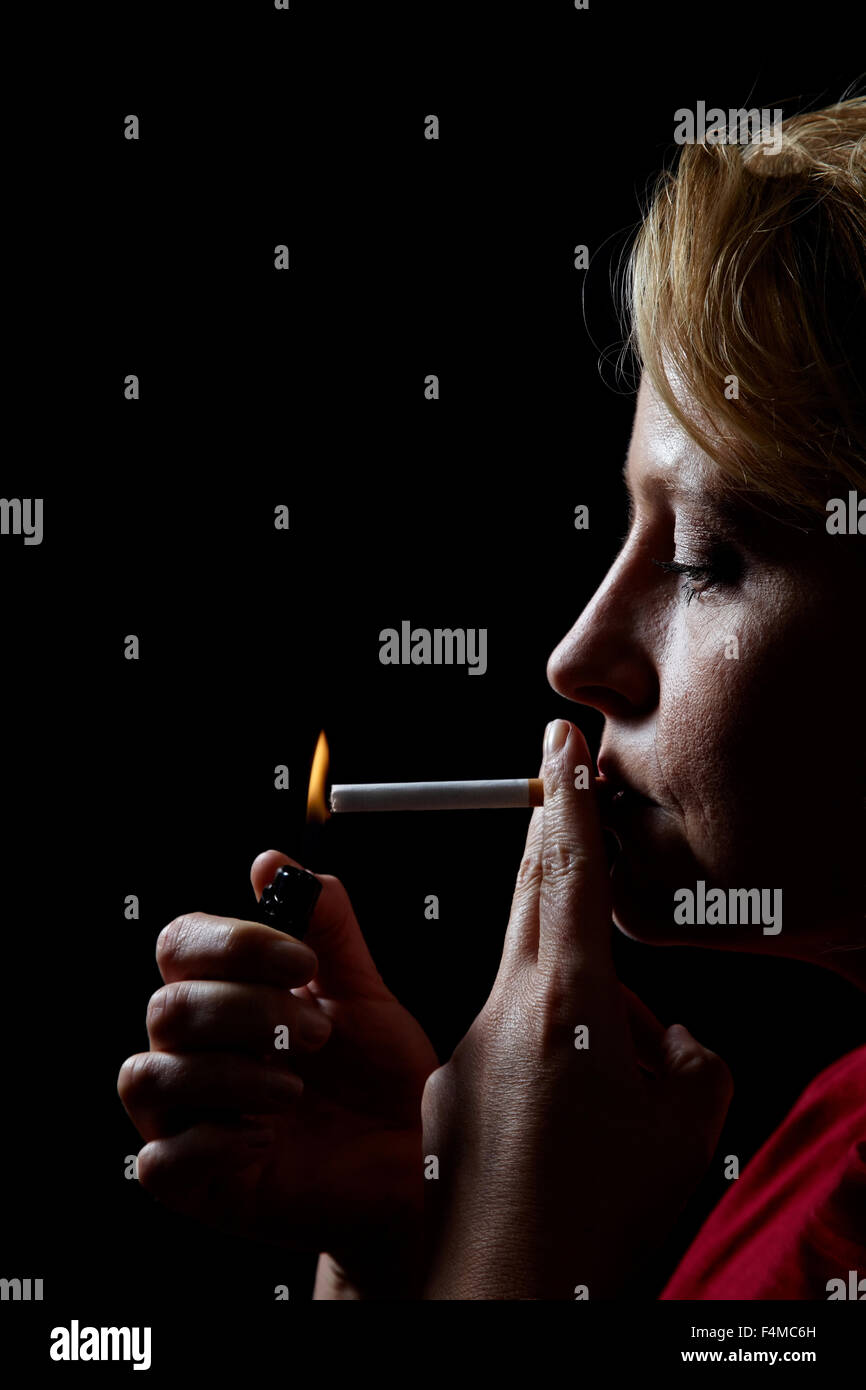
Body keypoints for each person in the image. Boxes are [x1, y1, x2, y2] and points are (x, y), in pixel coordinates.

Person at [118, 96, 866, 1300]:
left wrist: (514, 1258)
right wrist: (407, 1237)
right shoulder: (837, 1123)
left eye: (705, 559)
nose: (575, 658)